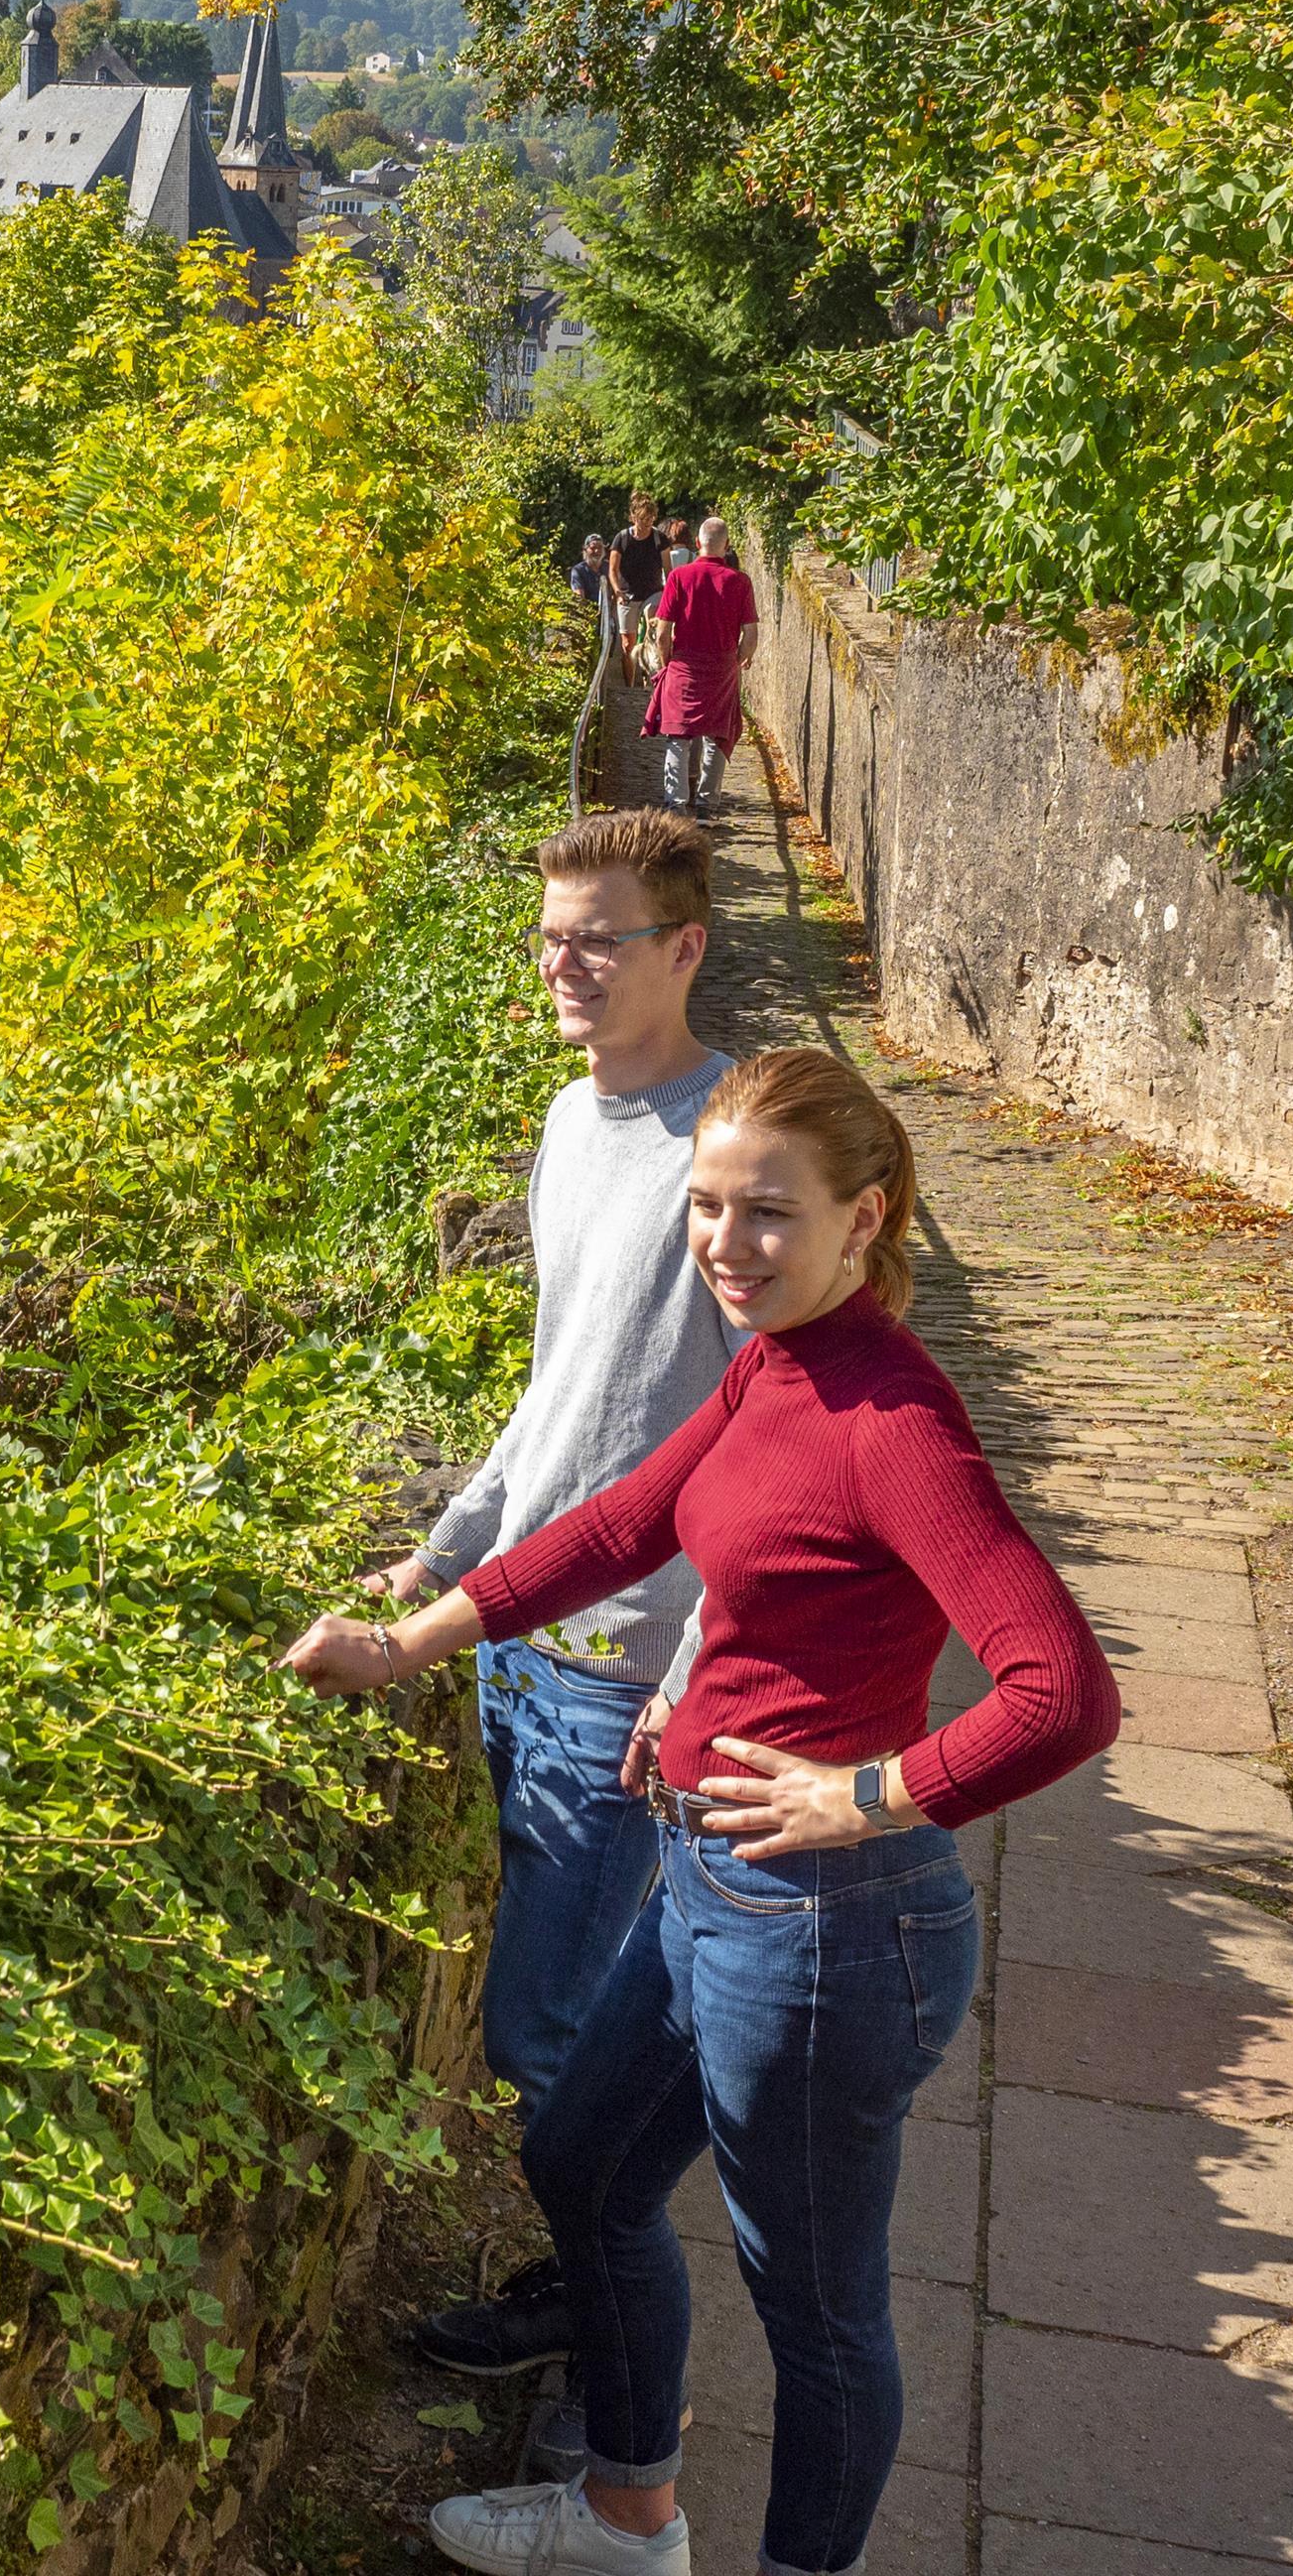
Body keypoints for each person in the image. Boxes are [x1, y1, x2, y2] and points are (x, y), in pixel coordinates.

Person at [284, 1048, 1118, 2576]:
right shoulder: (772, 1365)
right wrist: (406, 1641)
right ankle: (628, 2520)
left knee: (817, 2315)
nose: (726, 1244)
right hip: (707, 1883)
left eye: (768, 1213)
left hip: (826, 1933)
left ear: (865, 1219)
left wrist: (874, 1794)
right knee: (584, 2168)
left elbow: (1061, 1692)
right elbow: (626, 1522)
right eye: (707, 1206)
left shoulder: (894, 1422)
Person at [375, 810, 739, 2382]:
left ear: (685, 948)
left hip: (624, 1662)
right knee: (561, 2018)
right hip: (520, 1633)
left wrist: (701, 1661)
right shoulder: (570, 1120)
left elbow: (781, 1441)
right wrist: (451, 1548)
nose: (564, 964)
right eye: (549, 938)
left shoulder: (733, 1153)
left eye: (599, 937)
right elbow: (561, 1385)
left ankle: (613, 2389)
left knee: (554, 2032)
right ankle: (592, 2306)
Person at [641, 531, 757, 820]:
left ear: (697, 543)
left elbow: (663, 631)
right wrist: (736, 661)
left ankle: (676, 806)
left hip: (684, 666)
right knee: (716, 736)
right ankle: (707, 808)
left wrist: (668, 662)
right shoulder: (740, 581)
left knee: (678, 736)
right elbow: (751, 634)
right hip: (721, 668)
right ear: (727, 545)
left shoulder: (679, 577)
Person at [605, 495, 671, 652]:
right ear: (634, 517)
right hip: (628, 595)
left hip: (653, 592)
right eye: (644, 519)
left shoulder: (660, 539)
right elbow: (613, 569)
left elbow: (668, 569)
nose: (648, 523)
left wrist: (670, 593)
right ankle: (631, 666)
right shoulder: (622, 539)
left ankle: (652, 660)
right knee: (628, 645)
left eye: (651, 518)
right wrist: (618, 592)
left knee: (652, 620)